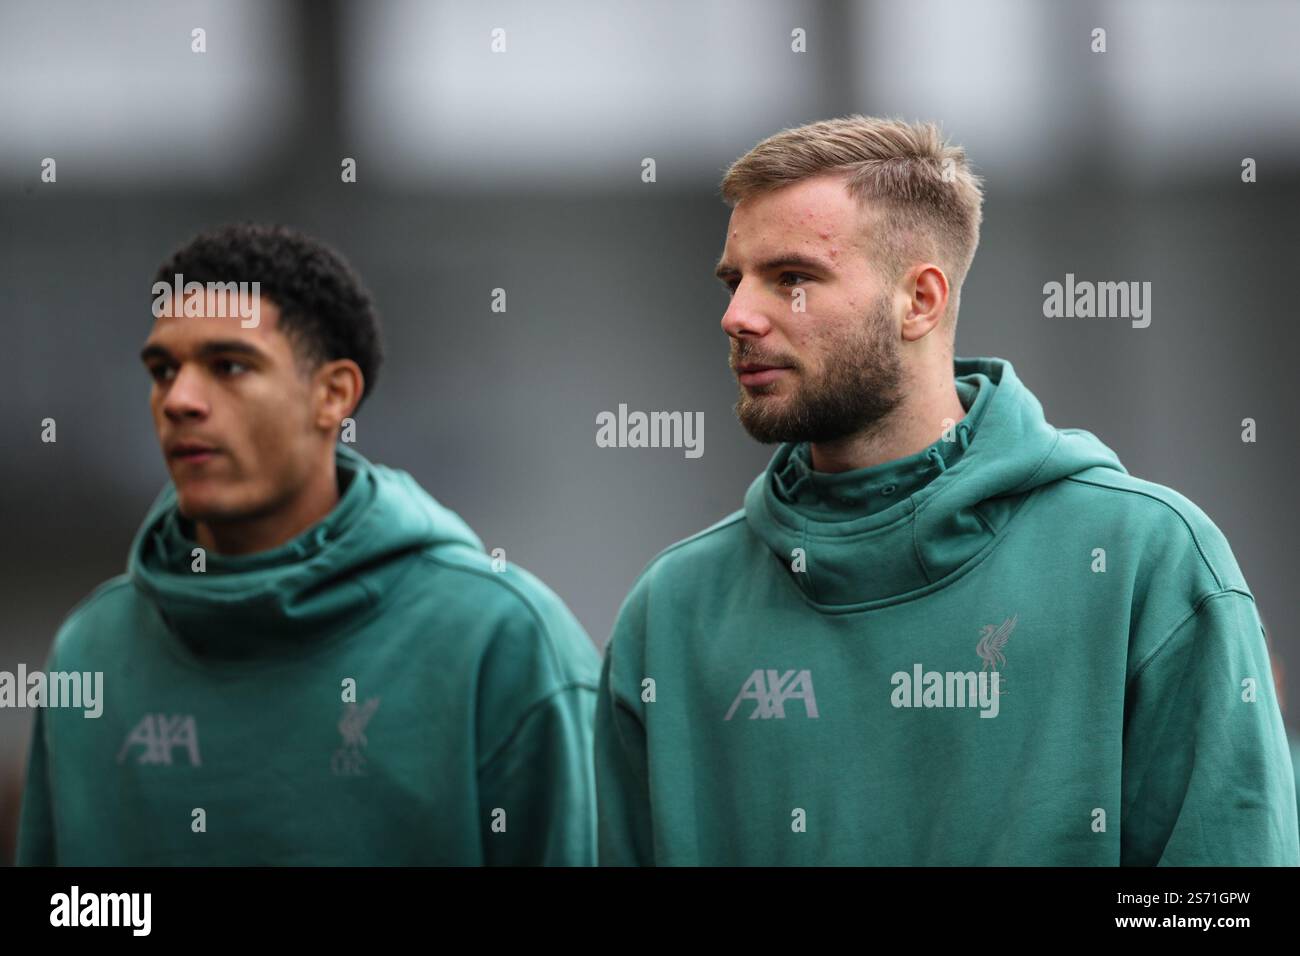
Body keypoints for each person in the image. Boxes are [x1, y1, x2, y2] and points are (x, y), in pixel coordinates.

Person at [593, 116, 1299, 865]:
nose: (737, 316)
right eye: (735, 281)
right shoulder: (670, 613)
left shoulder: (1142, 562)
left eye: (792, 278)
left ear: (920, 301)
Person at [18, 223, 599, 865]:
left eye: (228, 365)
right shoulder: (90, 651)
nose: (178, 399)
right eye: (163, 370)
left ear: (332, 396)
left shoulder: (503, 640)